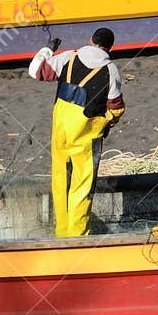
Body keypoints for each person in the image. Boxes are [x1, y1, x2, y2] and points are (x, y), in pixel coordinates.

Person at [29, 27, 125, 237]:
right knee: (82, 186)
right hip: (86, 138)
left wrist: (47, 50)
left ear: (91, 39)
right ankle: (78, 237)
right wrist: (107, 122)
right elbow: (116, 106)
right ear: (111, 48)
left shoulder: (68, 57)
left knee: (61, 181)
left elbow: (35, 70)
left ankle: (61, 234)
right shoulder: (111, 70)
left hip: (61, 131)